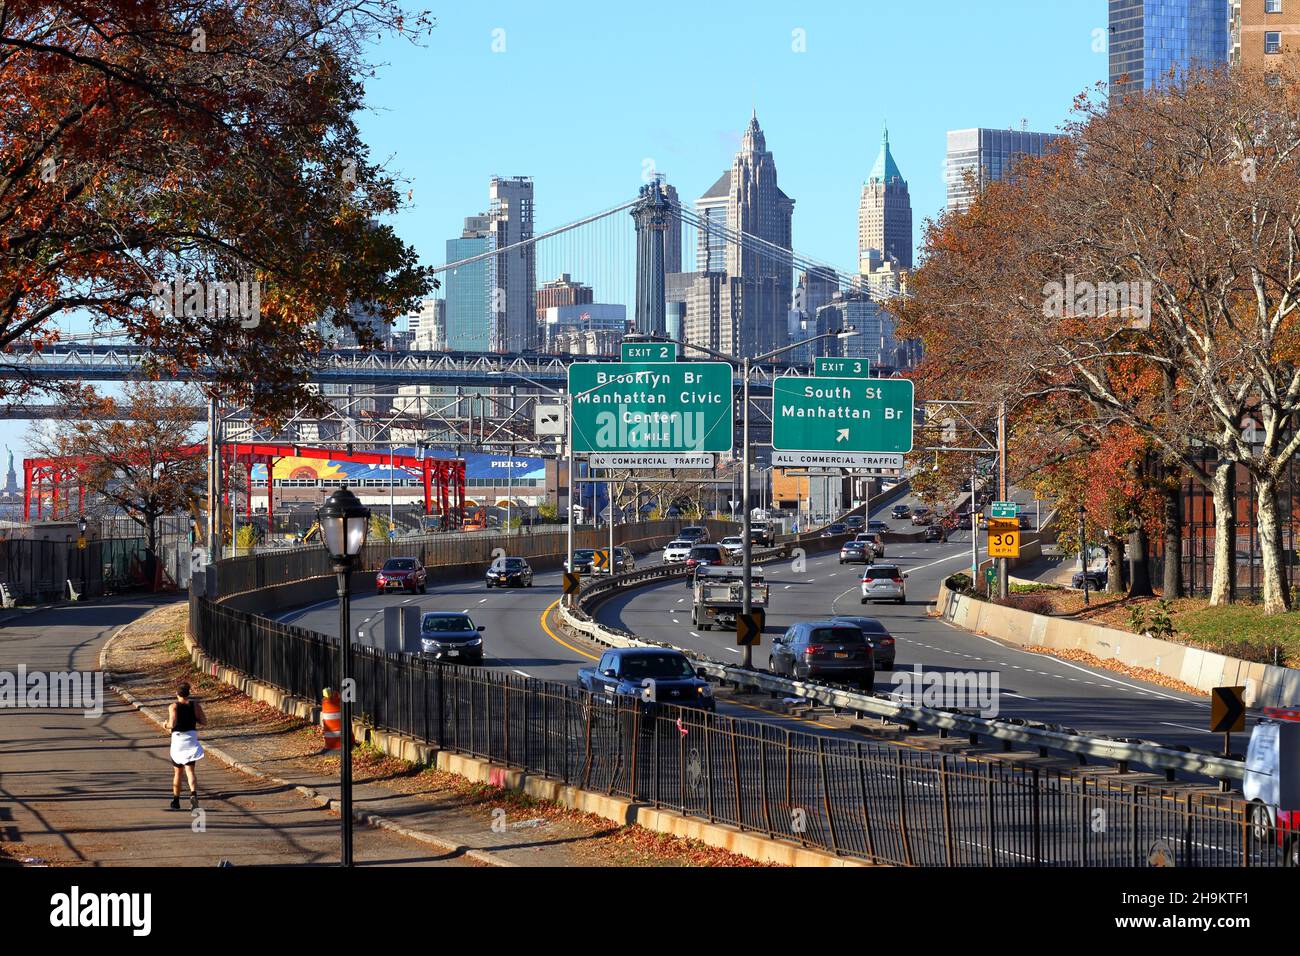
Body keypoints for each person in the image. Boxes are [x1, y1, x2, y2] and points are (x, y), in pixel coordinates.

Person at [165, 682, 206, 810]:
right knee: (190, 771)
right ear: (188, 693)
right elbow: (204, 721)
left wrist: (165, 724)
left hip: (178, 740)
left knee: (178, 772)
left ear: (177, 694)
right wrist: (195, 718)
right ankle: (193, 794)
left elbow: (173, 723)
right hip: (191, 739)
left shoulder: (173, 706)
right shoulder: (195, 705)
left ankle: (176, 801)